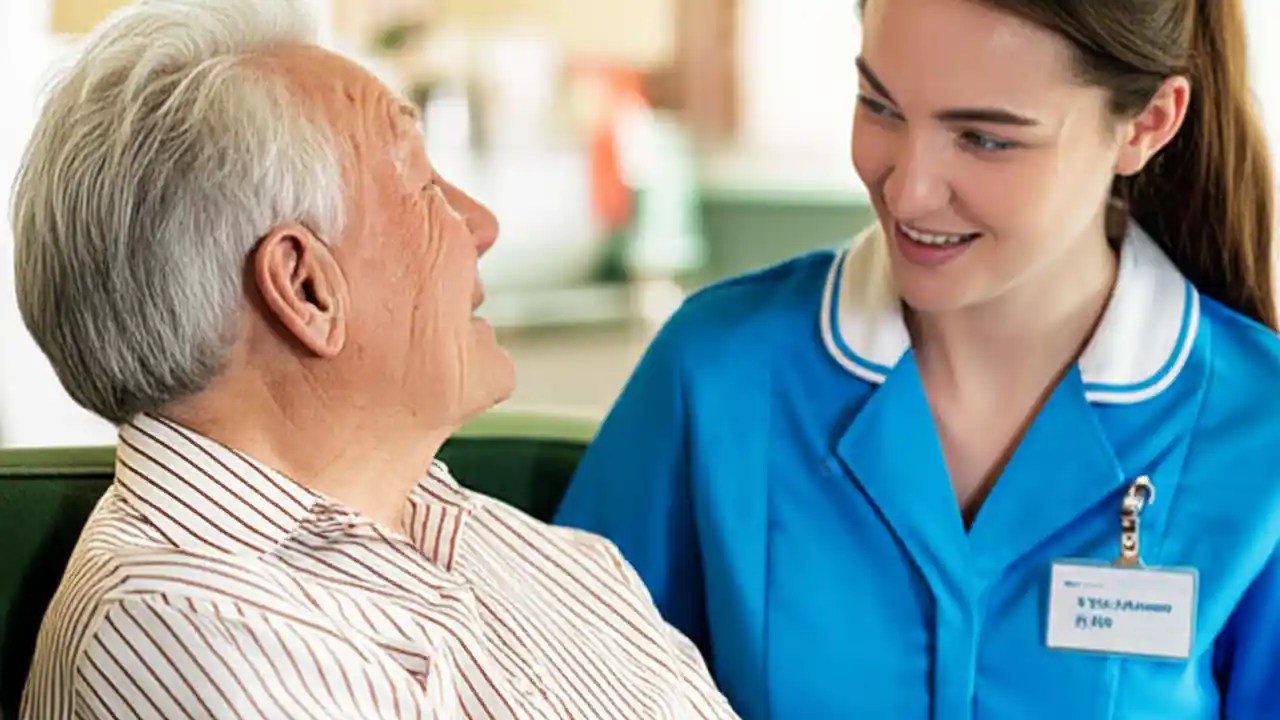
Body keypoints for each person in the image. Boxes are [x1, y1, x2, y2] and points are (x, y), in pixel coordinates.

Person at [12, 1, 738, 718]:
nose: (482, 226)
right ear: (305, 289)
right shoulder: (185, 630)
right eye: (424, 189)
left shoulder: (539, 557)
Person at [555, 0, 1280, 717]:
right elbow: (554, 689)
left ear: (1147, 124)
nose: (907, 189)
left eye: (984, 138)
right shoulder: (715, 375)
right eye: (881, 106)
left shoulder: (1259, 430)